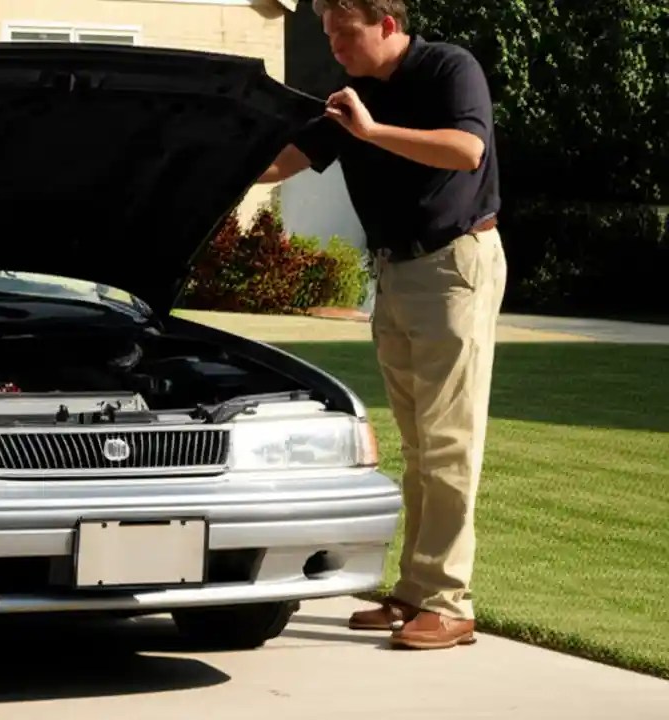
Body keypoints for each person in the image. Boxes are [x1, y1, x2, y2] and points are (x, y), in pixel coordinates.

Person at [259, 0, 508, 650]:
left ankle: (450, 602)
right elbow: (282, 161)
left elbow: (466, 149)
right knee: (420, 445)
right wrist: (204, 166)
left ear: (387, 25)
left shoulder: (447, 69)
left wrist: (371, 133)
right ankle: (416, 592)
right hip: (396, 273)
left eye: (345, 32)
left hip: (453, 264)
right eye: (328, 34)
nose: (335, 45)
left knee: (450, 443)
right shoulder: (353, 97)